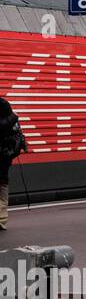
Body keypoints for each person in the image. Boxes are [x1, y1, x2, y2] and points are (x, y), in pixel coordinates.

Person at [0, 96, 25, 231]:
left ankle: (2, 219)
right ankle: (2, 219)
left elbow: (2, 126)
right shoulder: (5, 106)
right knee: (2, 183)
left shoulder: (2, 105)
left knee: (2, 182)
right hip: (6, 152)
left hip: (3, 153)